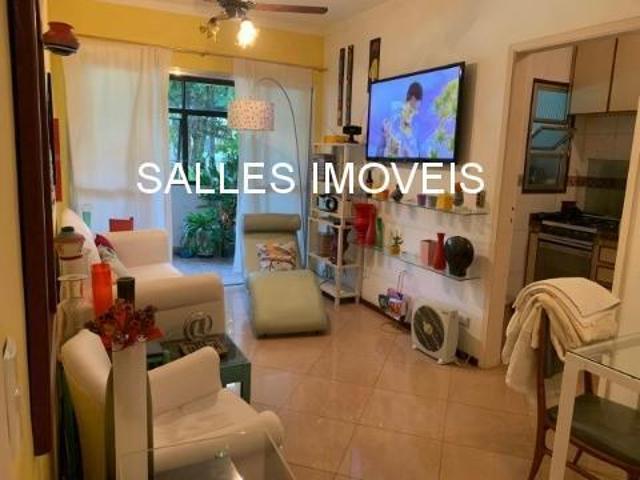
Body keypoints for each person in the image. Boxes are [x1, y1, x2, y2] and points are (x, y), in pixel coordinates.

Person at [377, 82, 423, 158]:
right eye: (419, 101)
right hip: (395, 159)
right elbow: (413, 154)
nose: (419, 107)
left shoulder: (393, 112)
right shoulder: (400, 116)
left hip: (390, 159)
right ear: (414, 98)